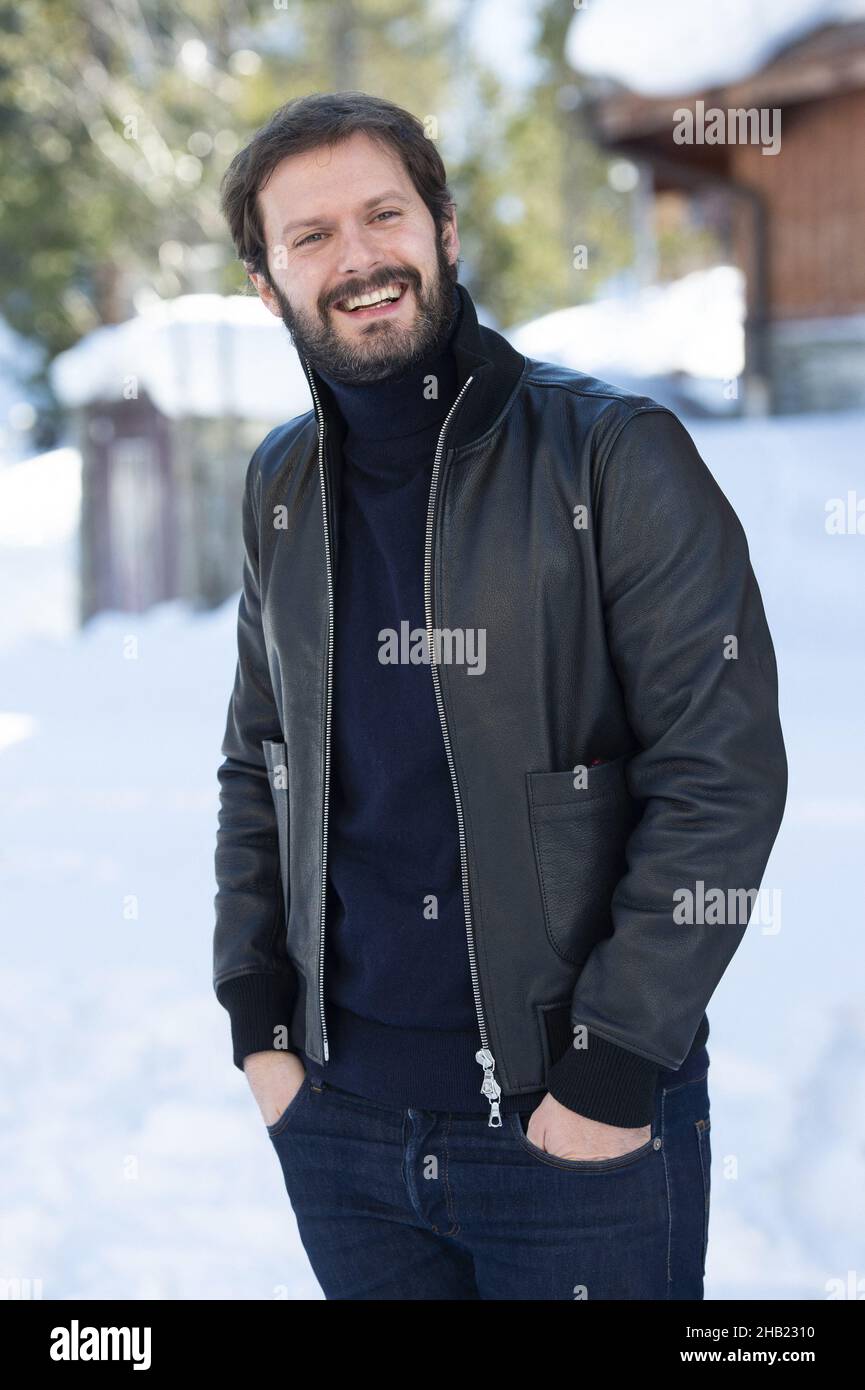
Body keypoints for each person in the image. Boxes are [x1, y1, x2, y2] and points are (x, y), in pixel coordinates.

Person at [212, 92, 787, 1300]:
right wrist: (260, 1027)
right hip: (343, 1125)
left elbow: (719, 773)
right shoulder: (280, 483)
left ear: (445, 230)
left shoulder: (611, 453)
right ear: (265, 282)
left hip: (569, 1128)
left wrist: (611, 1071)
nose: (358, 257)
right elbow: (258, 757)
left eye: (385, 214)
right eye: (310, 236)